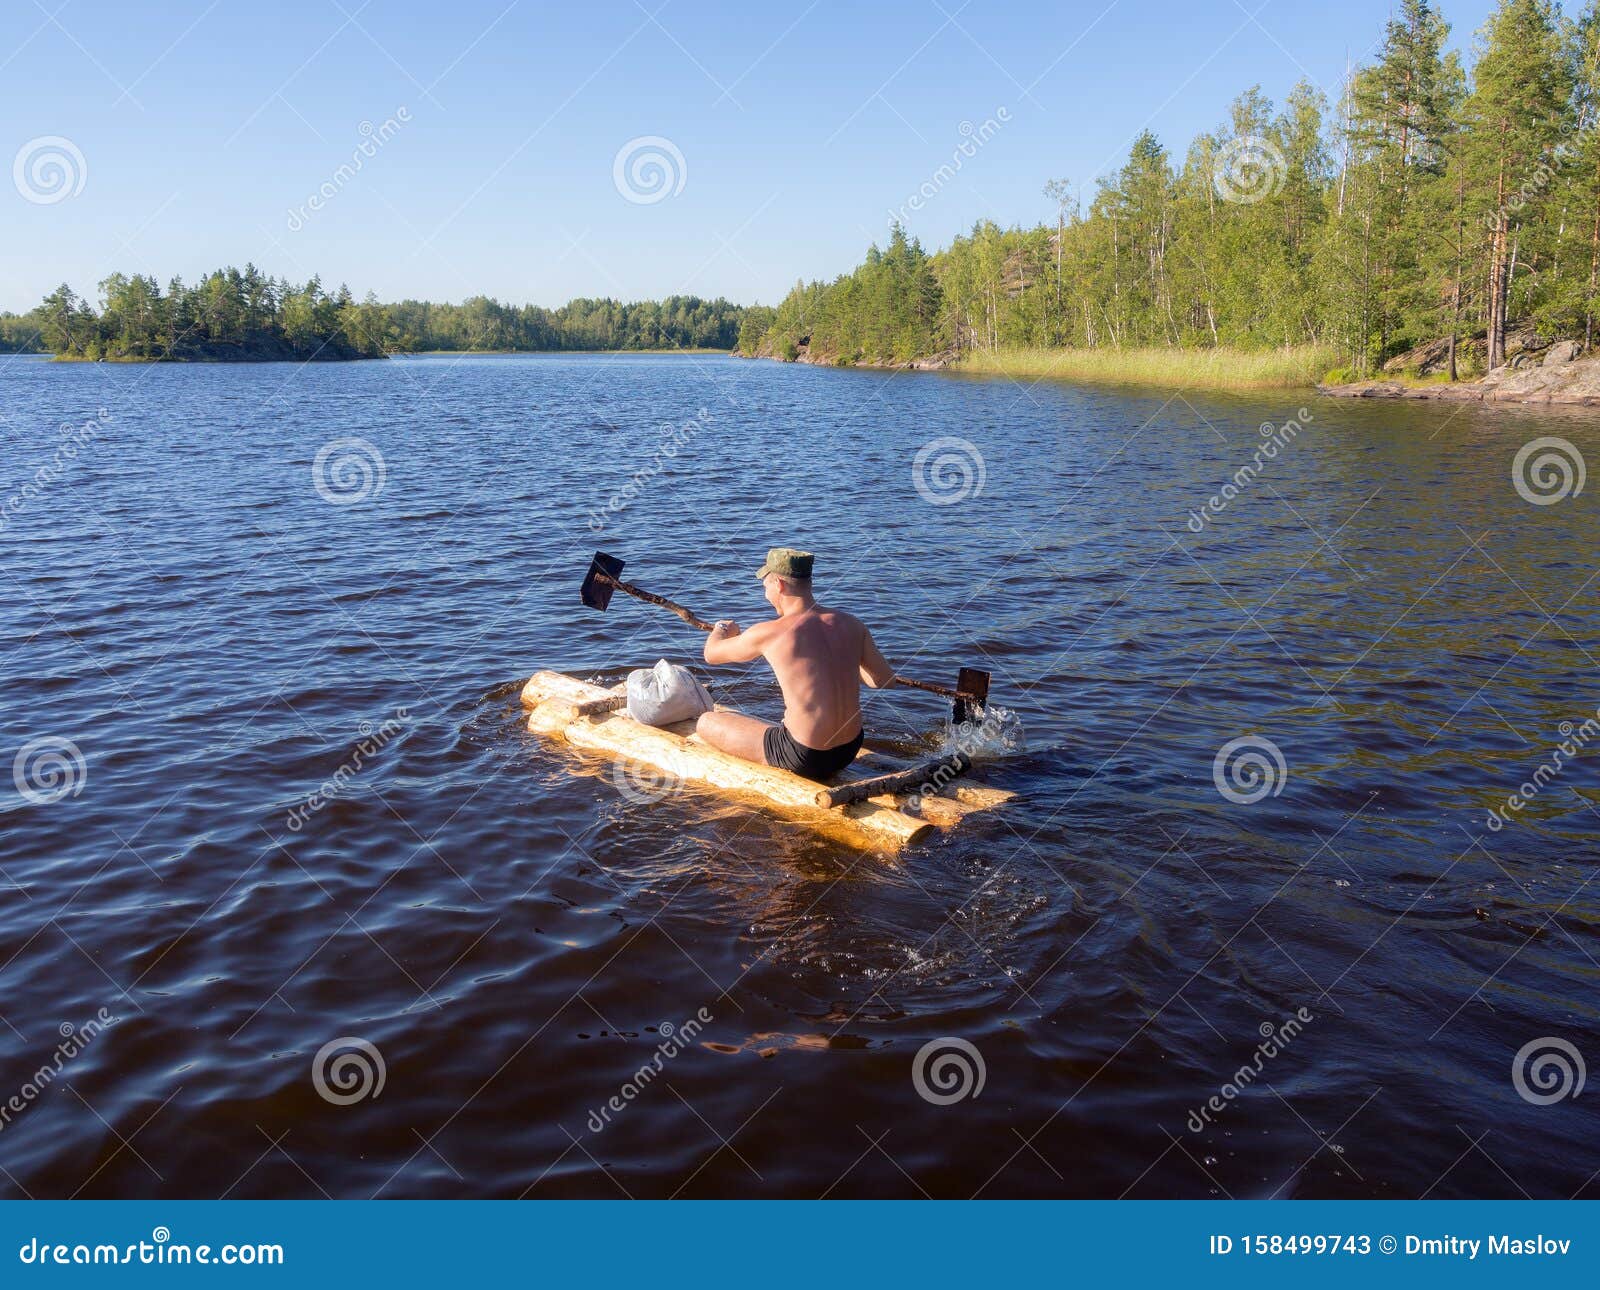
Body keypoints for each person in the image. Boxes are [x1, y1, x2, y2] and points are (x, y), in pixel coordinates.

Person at [695, 547, 894, 781]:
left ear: (779, 584)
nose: (765, 593)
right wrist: (844, 660)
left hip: (803, 755)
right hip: (849, 748)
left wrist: (723, 629)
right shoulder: (852, 624)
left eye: (765, 586)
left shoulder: (769, 632)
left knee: (706, 721)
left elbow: (711, 654)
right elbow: (883, 680)